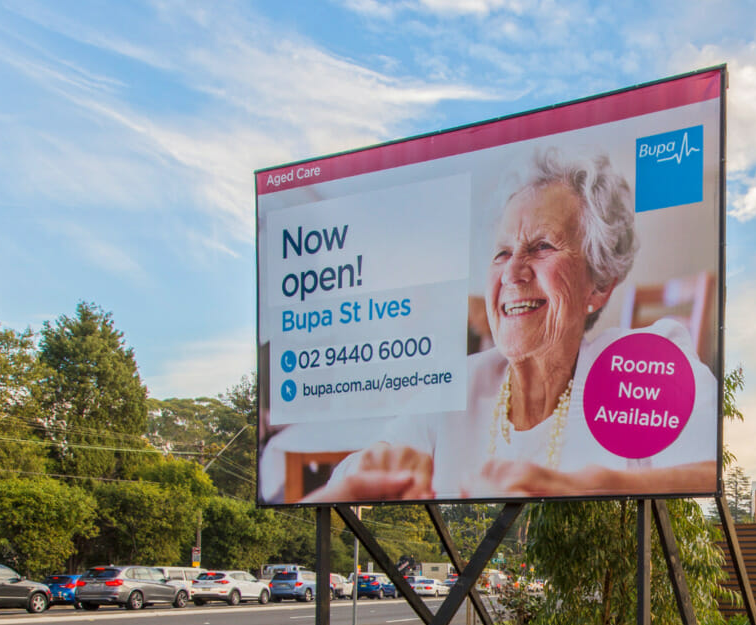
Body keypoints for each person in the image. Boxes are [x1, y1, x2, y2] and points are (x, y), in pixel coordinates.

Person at [306, 147, 717, 502]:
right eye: (502, 253)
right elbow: (355, 476)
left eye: (542, 246)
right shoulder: (456, 389)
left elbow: (716, 471)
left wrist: (595, 487)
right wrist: (373, 465)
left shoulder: (635, 369)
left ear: (600, 283)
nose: (512, 273)